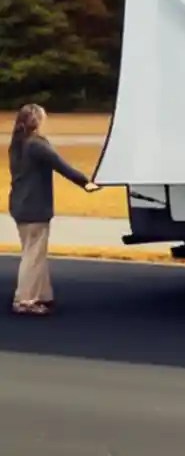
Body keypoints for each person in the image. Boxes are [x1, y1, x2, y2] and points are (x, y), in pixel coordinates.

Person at [7, 104, 99, 316]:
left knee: (34, 252)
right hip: (35, 207)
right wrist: (85, 183)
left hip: (20, 204)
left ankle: (43, 294)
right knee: (33, 255)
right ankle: (25, 300)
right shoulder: (36, 144)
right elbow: (60, 165)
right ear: (36, 121)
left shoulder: (18, 144)